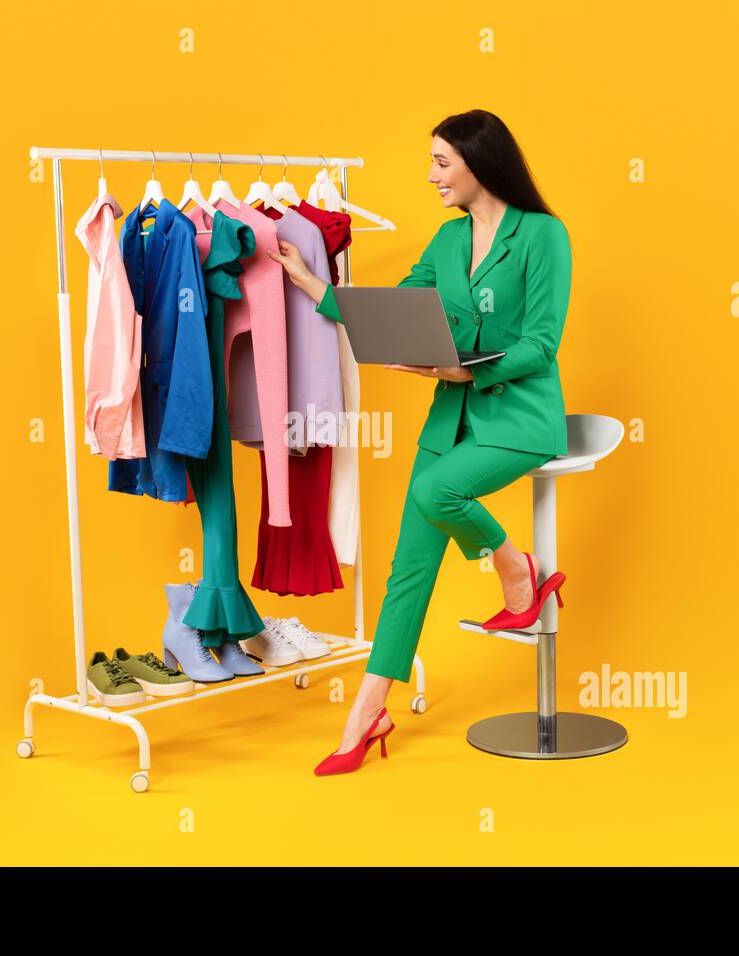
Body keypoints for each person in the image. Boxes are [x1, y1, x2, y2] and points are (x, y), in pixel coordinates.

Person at [266, 109, 573, 774]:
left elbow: (541, 342)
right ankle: (365, 715)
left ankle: (516, 567)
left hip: (520, 415)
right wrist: (315, 285)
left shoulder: (543, 236)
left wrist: (467, 366)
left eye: (441, 161)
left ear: (479, 162)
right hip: (450, 418)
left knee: (436, 489)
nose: (430, 175)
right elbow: (400, 306)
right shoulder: (444, 239)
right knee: (408, 572)